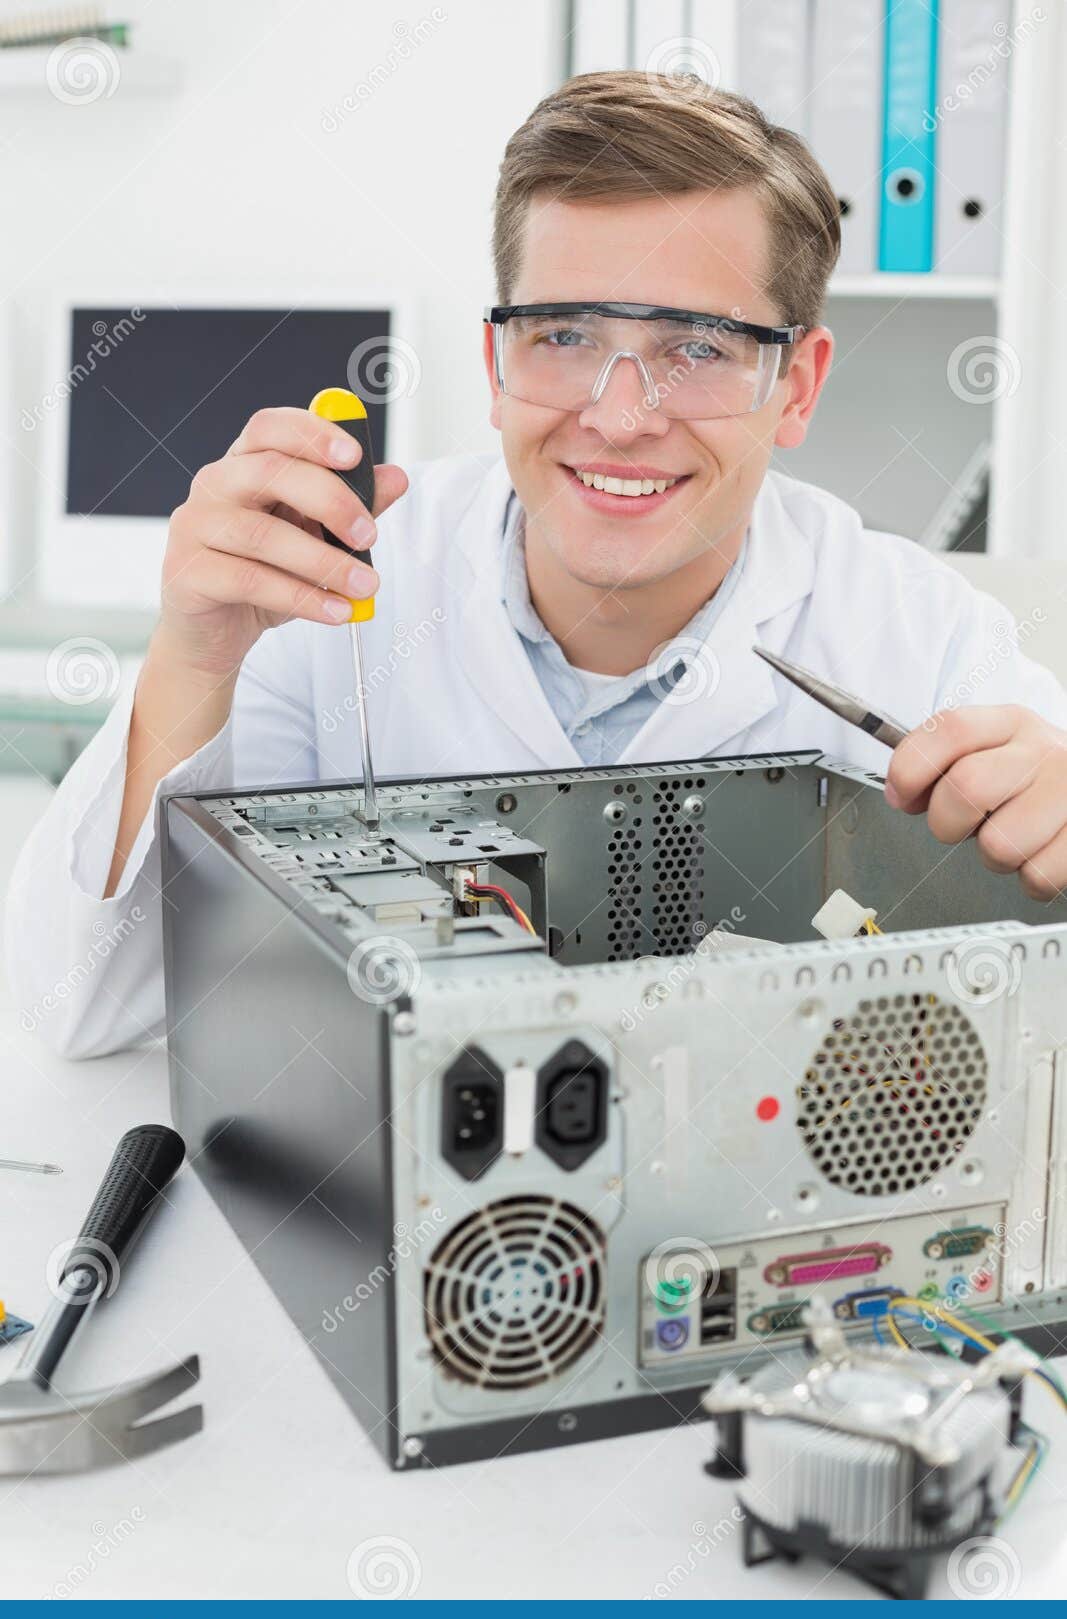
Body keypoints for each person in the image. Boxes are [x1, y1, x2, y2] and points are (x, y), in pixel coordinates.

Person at [8, 71, 1067, 1059]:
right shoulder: (326, 588)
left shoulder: (921, 638)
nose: (616, 418)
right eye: (561, 335)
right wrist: (192, 658)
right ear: (493, 361)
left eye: (696, 347)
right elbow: (78, 1008)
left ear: (794, 388)